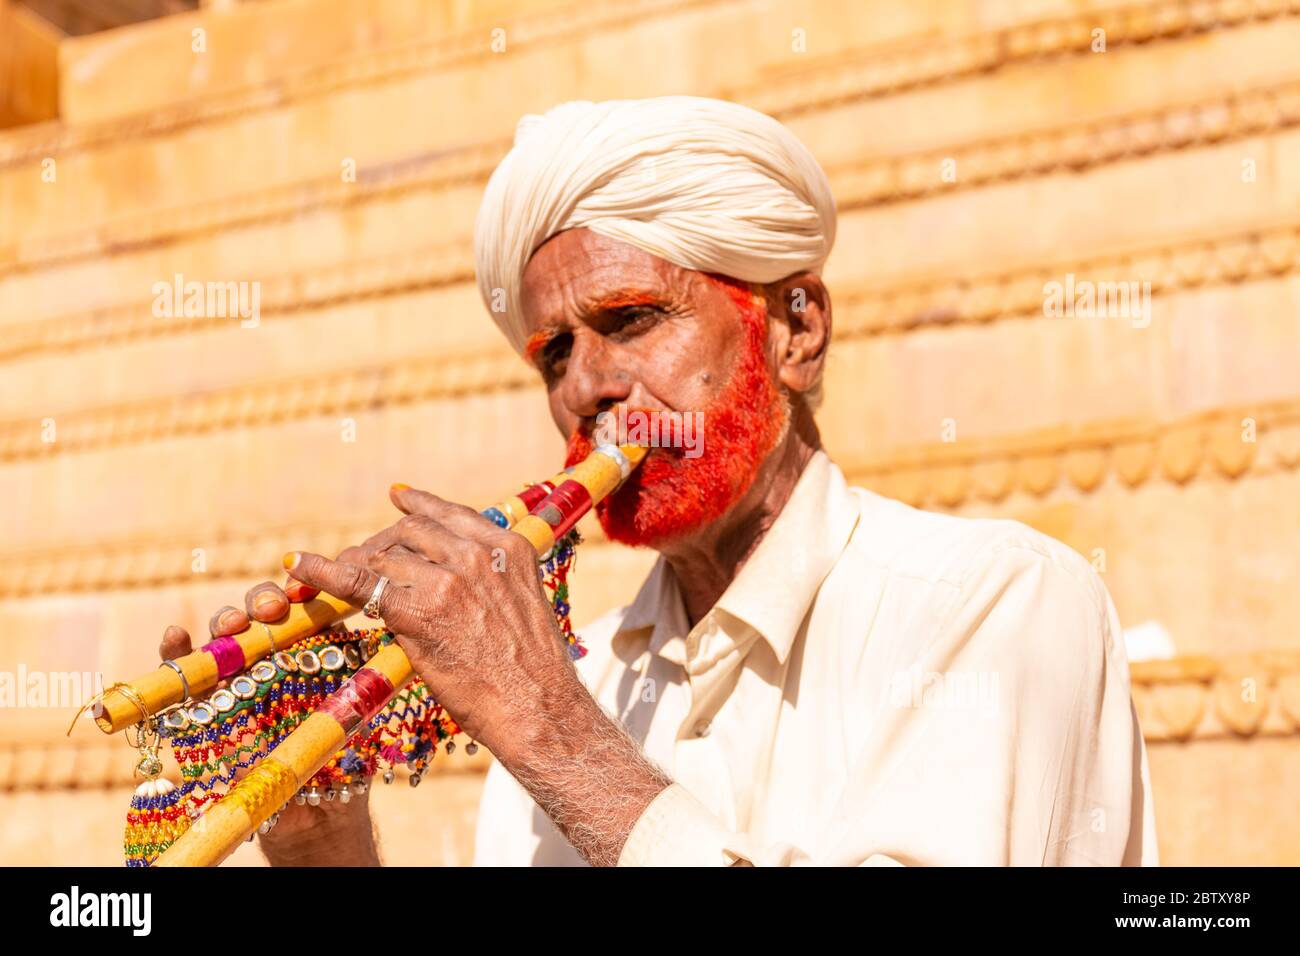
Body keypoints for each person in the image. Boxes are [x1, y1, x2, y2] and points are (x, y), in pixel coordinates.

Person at [160, 96, 1157, 866]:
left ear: (796, 328)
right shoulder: (587, 681)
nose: (588, 387)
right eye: (554, 352)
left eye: (632, 319)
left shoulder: (1000, 601)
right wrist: (320, 838)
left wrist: (546, 724)